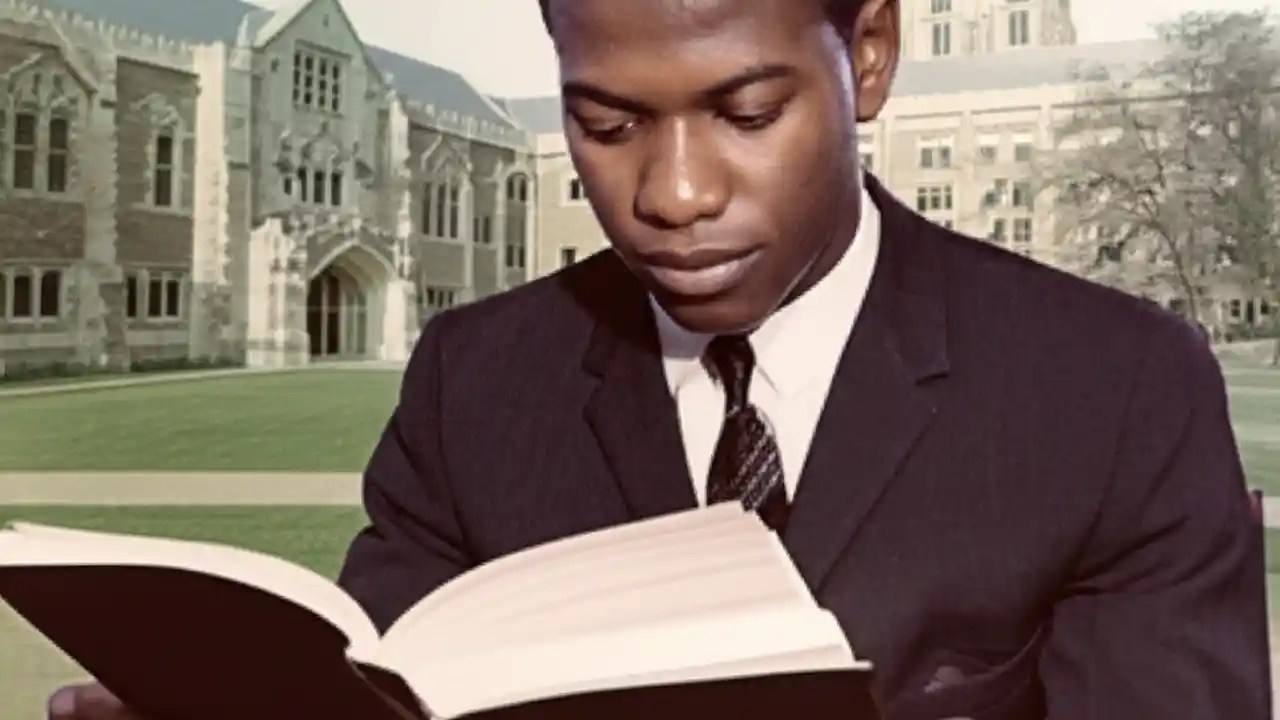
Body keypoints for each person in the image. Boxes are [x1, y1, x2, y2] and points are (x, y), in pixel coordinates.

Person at [49, 0, 1272, 717]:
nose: (672, 195)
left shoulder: (1112, 388)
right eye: (607, 124)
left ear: (873, 57)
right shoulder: (474, 381)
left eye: (746, 114)